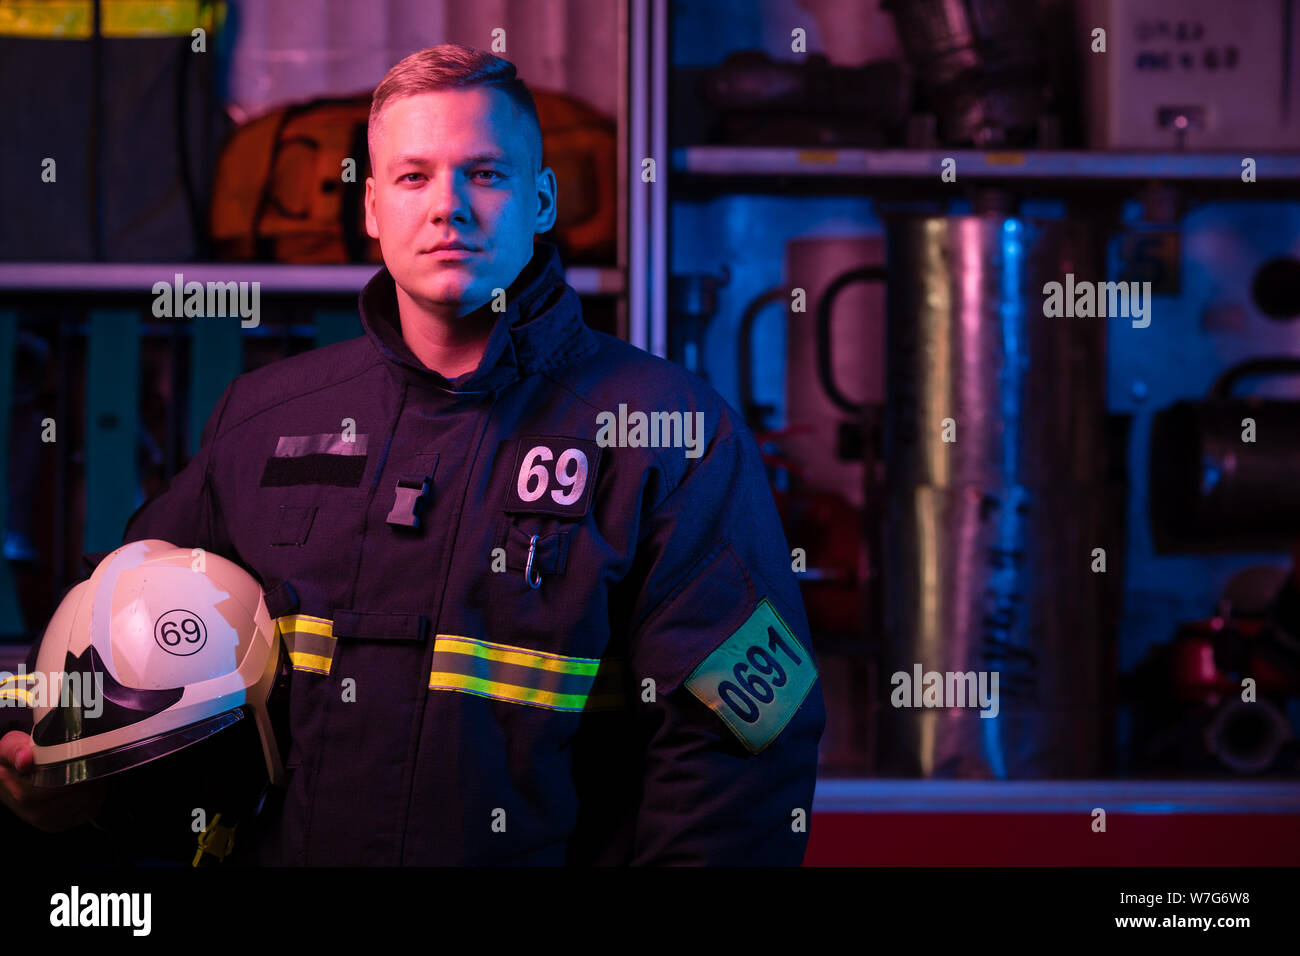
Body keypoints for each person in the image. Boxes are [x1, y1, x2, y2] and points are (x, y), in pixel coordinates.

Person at [0, 43, 824, 865]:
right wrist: (58, 774)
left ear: (541, 202)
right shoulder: (264, 421)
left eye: (487, 175)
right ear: (370, 208)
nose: (449, 207)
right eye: (413, 176)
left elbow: (737, 751)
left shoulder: (665, 434)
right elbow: (117, 633)